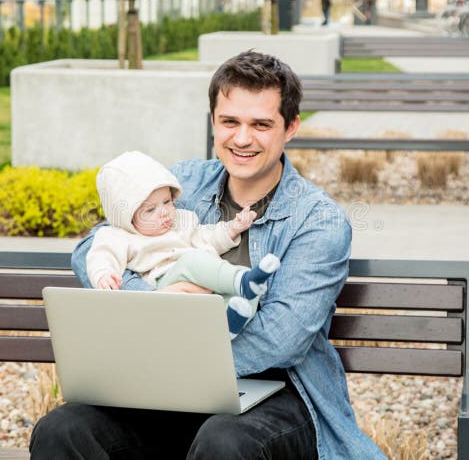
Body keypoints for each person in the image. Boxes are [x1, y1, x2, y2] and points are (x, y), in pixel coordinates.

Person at [29, 51, 385, 459]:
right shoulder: (185, 183)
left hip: (281, 393)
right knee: (62, 431)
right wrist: (155, 302)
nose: (242, 138)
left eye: (261, 124)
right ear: (213, 121)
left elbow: (281, 339)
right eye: (229, 121)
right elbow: (92, 246)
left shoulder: (318, 221)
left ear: (291, 128)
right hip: (167, 385)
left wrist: (177, 350)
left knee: (225, 441)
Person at [87, 150, 280, 338]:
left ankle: (228, 325)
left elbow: (206, 236)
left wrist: (231, 229)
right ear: (125, 216)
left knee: (246, 290)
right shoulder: (118, 235)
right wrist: (103, 274)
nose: (164, 212)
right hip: (165, 280)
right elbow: (102, 255)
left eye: (167, 201)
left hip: (202, 285)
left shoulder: (181, 221)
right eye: (150, 210)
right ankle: (243, 280)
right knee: (194, 260)